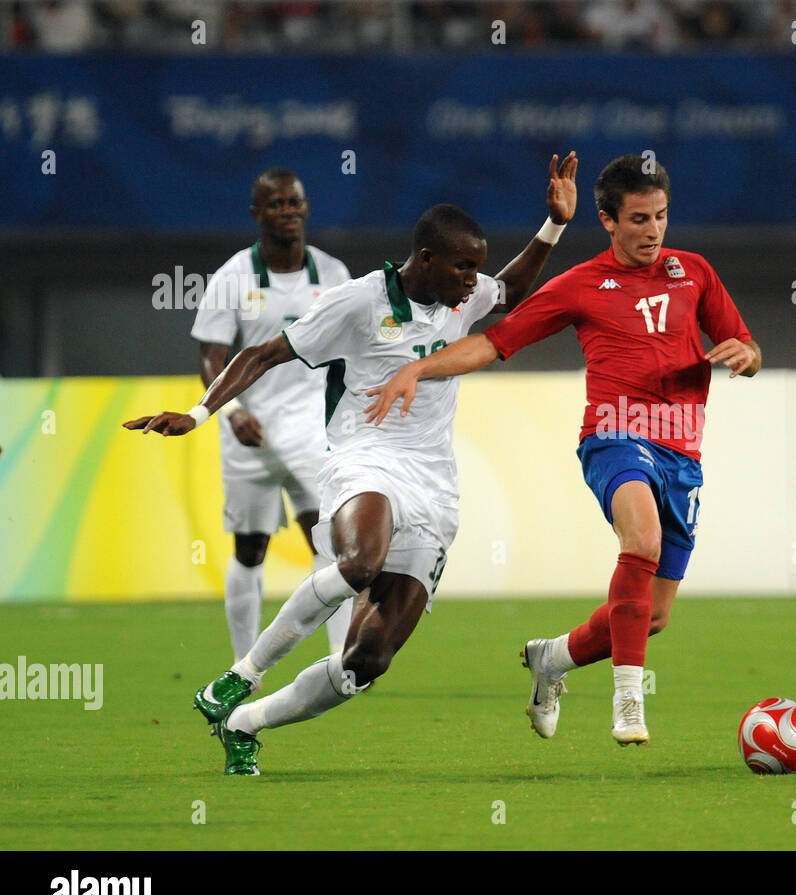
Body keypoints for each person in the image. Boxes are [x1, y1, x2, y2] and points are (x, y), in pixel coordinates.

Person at [124, 152, 579, 774]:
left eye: (477, 267)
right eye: (464, 266)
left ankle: (243, 724)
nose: (475, 280)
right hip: (364, 459)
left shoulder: (461, 298)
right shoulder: (360, 300)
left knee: (369, 660)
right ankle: (240, 676)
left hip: (435, 488)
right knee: (359, 563)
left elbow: (513, 289)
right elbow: (262, 353)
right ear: (425, 260)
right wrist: (201, 413)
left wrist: (553, 225)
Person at [364, 154, 760, 746]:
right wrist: (419, 368)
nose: (653, 231)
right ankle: (629, 701)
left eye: (661, 217)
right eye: (638, 220)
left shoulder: (694, 272)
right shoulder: (580, 286)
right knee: (643, 540)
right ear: (607, 220)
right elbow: (494, 342)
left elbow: (746, 345)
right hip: (615, 436)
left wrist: (744, 357)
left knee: (653, 617)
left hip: (683, 449)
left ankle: (552, 659)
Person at [191, 168, 353, 664]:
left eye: (295, 203)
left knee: (330, 545)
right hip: (250, 434)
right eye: (277, 205)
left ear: (306, 207)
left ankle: (340, 660)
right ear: (257, 214)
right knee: (249, 549)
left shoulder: (334, 274)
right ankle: (246, 665)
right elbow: (210, 359)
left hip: (313, 430)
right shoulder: (233, 276)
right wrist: (232, 409)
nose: (289, 212)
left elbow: (353, 349)